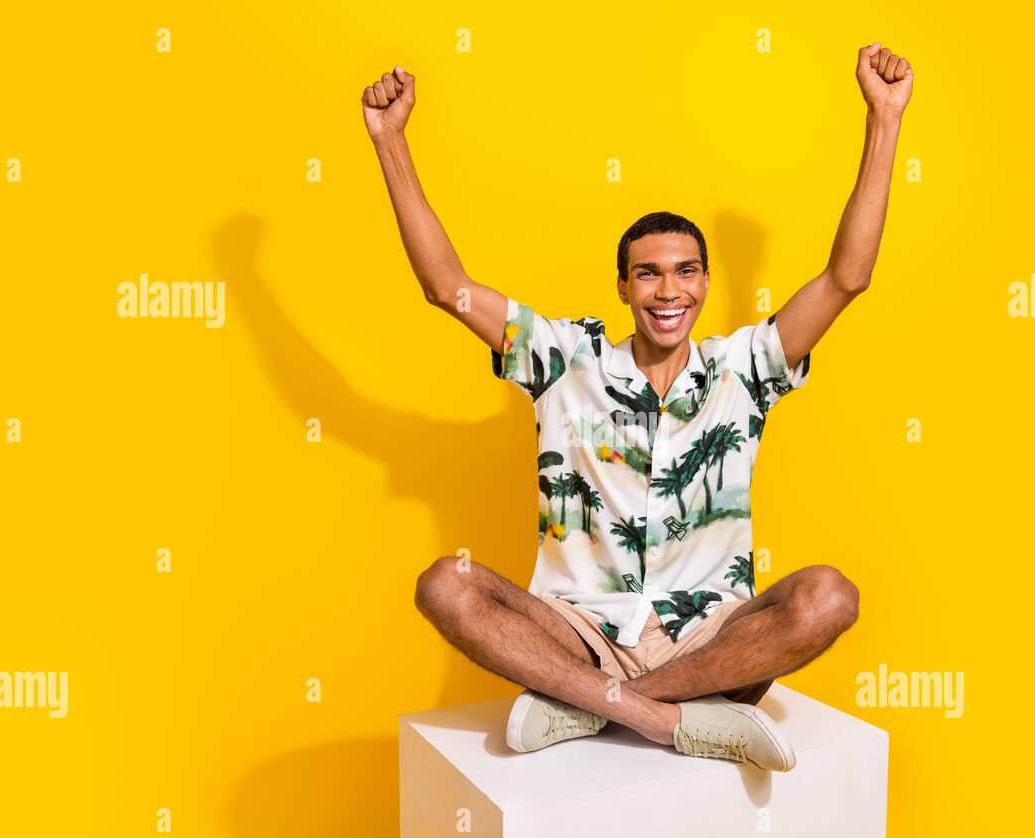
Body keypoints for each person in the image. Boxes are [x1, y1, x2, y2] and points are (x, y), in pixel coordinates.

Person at [362, 42, 911, 772]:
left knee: (829, 598)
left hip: (709, 641)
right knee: (445, 585)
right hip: (577, 628)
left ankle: (590, 705)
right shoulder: (565, 358)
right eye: (647, 274)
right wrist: (389, 140)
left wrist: (884, 119)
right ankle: (664, 721)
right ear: (622, 287)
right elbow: (445, 284)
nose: (667, 290)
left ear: (707, 284)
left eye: (685, 272)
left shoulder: (742, 368)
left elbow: (847, 278)